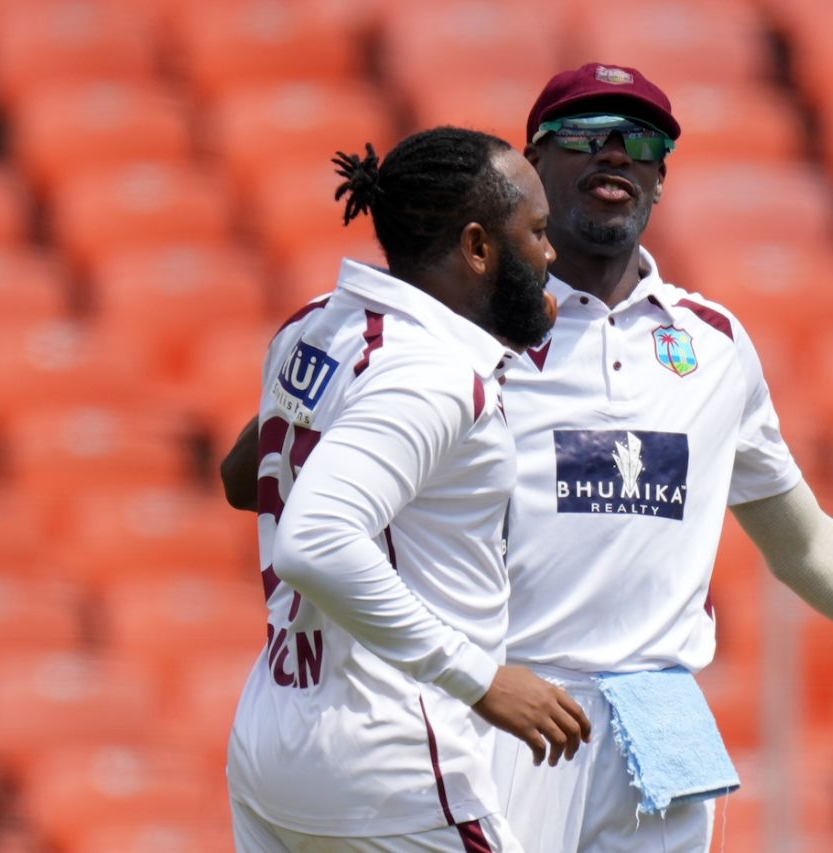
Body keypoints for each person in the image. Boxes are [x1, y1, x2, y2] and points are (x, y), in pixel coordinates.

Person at [223, 66, 833, 852]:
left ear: (662, 174)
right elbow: (275, 474)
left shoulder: (712, 344)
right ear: (530, 166)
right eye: (583, 135)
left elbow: (803, 544)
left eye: (641, 139)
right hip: (502, 710)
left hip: (659, 713)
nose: (615, 152)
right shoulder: (455, 330)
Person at [226, 126, 592, 853]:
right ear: (479, 247)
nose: (552, 257)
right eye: (539, 232)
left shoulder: (316, 326)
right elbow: (316, 540)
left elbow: (245, 477)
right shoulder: (431, 373)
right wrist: (481, 678)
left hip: (276, 741)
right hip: (392, 762)